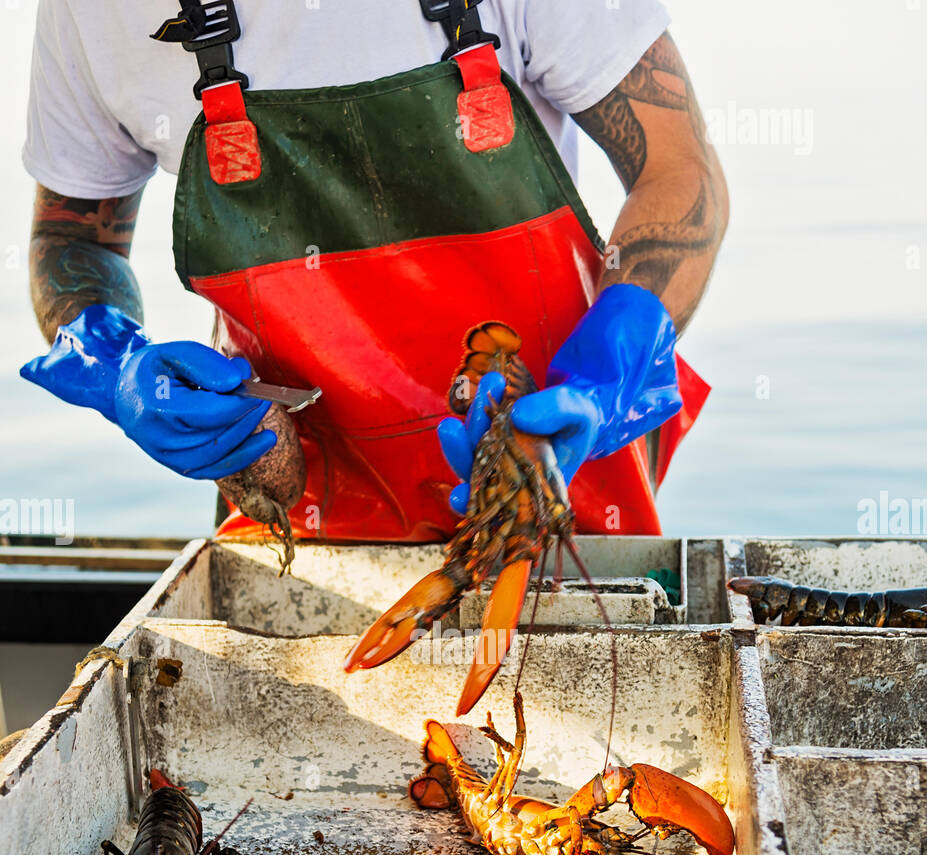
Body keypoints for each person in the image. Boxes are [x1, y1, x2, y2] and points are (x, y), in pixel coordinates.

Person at [20, 0, 727, 543]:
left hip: (550, 467)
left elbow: (678, 172)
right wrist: (114, 361)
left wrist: (607, 370)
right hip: (295, 506)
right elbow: (70, 237)